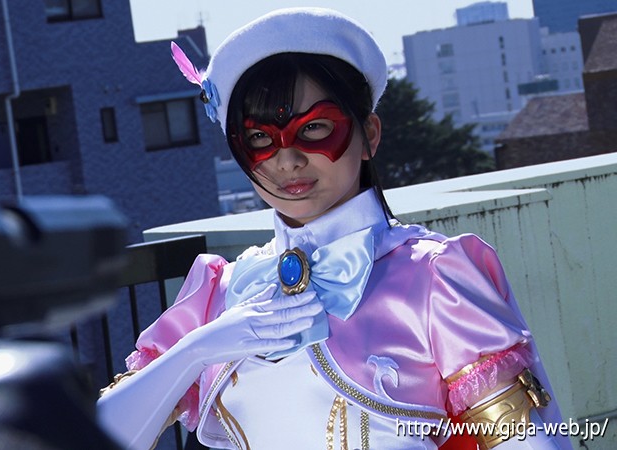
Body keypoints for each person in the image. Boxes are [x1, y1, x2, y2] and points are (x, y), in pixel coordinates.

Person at [98, 8, 571, 450]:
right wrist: (197, 349)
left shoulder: (435, 278)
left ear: (369, 135)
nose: (287, 160)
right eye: (260, 138)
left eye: (314, 129)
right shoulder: (218, 292)